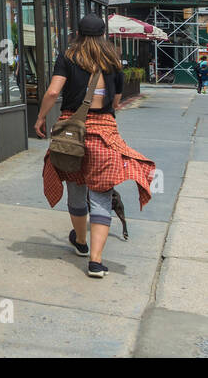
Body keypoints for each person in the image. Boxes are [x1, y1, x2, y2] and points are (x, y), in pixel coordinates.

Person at [34, 14, 157, 279]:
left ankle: (80, 241)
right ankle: (96, 262)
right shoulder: (113, 61)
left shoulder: (67, 57)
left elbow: (54, 92)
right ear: (103, 34)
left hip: (72, 132)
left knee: (76, 189)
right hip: (104, 133)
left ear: (77, 33)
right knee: (101, 195)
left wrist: (42, 117)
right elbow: (116, 101)